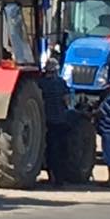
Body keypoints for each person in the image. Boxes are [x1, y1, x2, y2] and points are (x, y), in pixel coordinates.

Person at [39, 55, 73, 184]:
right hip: (60, 121)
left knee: (49, 150)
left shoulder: (41, 83)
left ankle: (51, 176)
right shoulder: (61, 83)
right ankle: (59, 178)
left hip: (47, 121)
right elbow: (66, 100)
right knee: (60, 150)